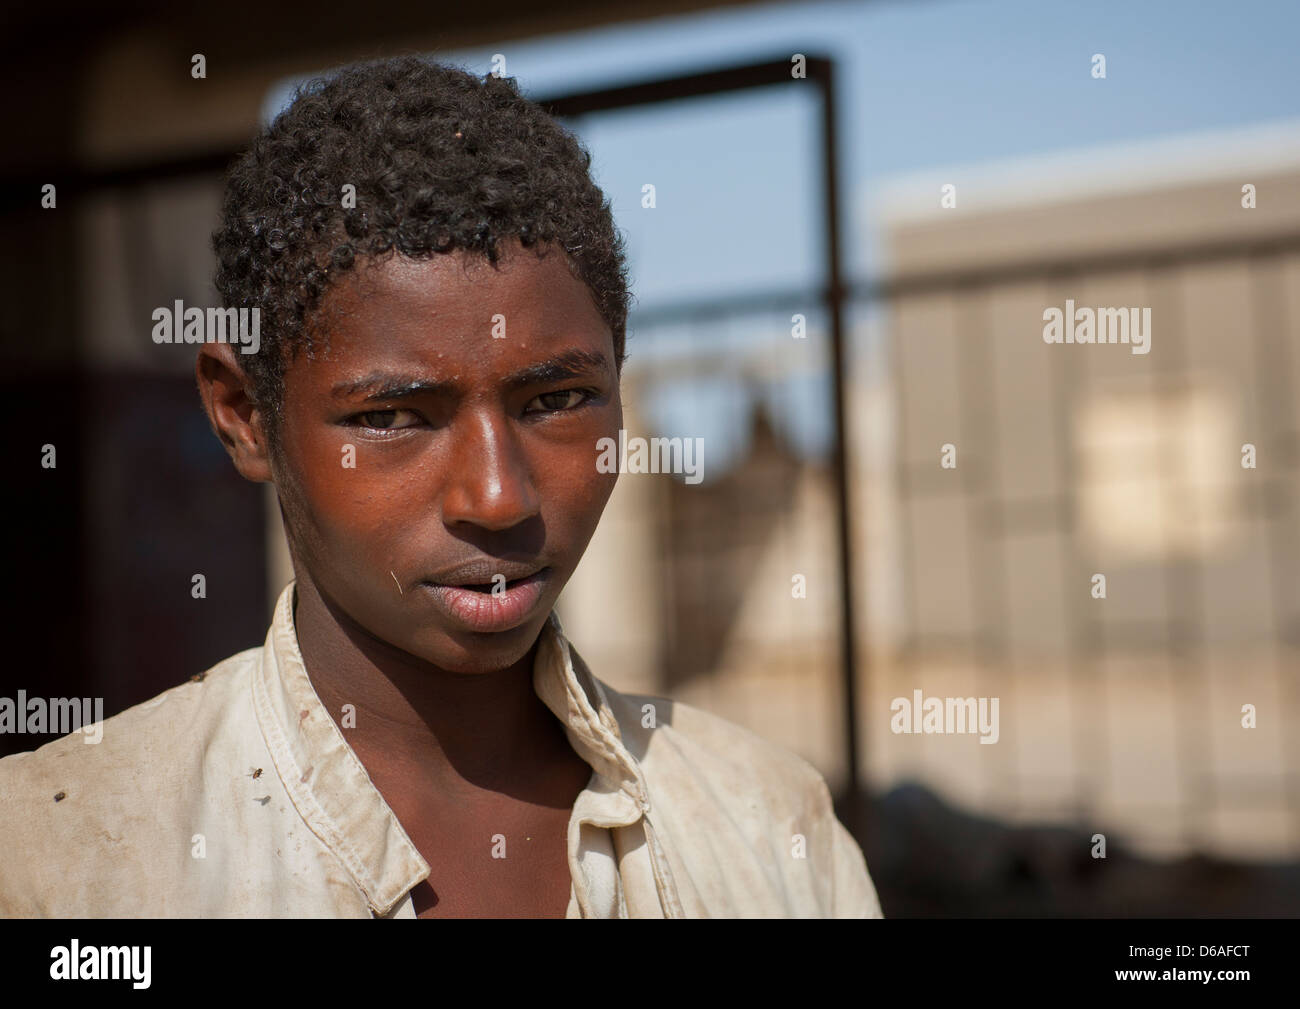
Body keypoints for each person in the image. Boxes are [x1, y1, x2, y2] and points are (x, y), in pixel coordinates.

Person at [0, 55, 883, 918]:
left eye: (560, 399)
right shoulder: (58, 856)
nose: (499, 498)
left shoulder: (771, 829)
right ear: (244, 415)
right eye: (393, 418)